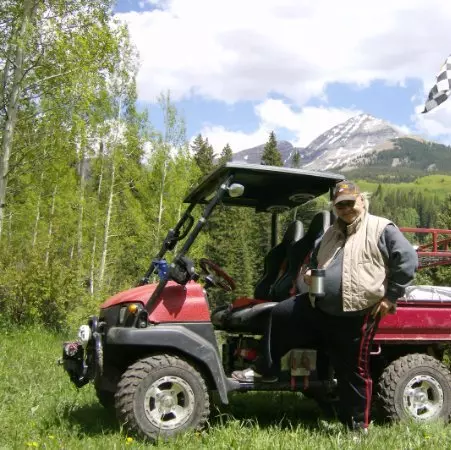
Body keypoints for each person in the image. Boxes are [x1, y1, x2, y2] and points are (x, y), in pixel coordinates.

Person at [233, 180, 418, 433]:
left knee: (353, 371)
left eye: (350, 203)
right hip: (318, 307)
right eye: (340, 204)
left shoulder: (381, 229)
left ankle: (357, 426)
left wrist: (391, 297)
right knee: (281, 314)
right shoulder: (329, 233)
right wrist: (309, 274)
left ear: (361, 201)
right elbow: (313, 261)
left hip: (356, 313)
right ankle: (266, 369)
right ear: (335, 207)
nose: (346, 209)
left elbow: (408, 260)